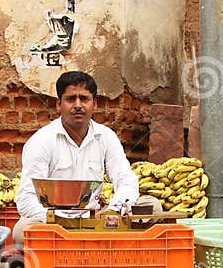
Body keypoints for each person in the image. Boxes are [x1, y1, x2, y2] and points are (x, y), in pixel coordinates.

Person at [12, 71, 161, 249]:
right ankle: (92, 245)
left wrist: (113, 210)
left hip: (95, 219)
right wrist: (57, 223)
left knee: (153, 207)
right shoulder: (42, 141)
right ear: (59, 104)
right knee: (21, 231)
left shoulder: (106, 136)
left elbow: (125, 179)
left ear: (94, 104)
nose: (77, 105)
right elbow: (26, 198)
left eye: (84, 99)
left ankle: (104, 248)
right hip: (53, 223)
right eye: (70, 99)